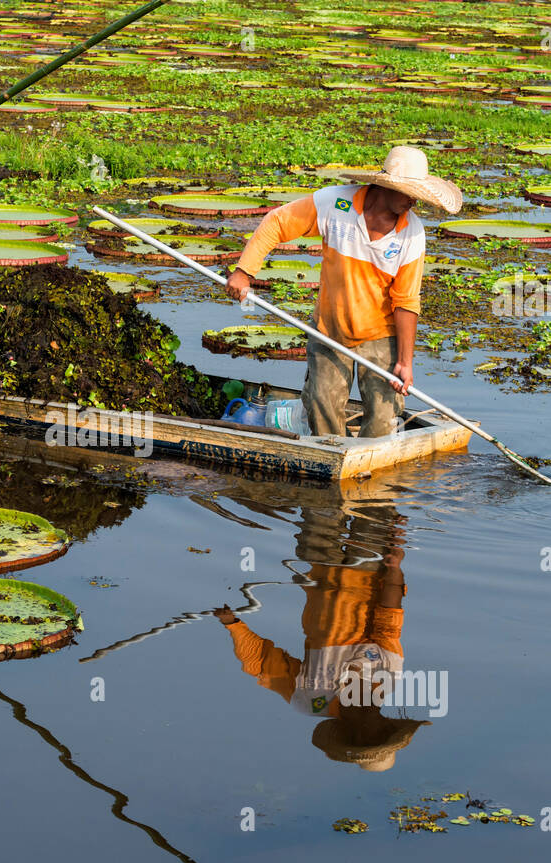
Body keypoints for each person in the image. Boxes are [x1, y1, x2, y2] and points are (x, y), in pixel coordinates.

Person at [226, 146, 463, 438]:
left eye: (418, 194)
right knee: (321, 408)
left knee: (383, 419)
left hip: (381, 334)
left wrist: (405, 361)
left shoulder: (411, 234)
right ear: (385, 186)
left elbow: (406, 301)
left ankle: (371, 471)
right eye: (408, 192)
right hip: (330, 329)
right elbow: (278, 223)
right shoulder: (336, 203)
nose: (414, 200)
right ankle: (330, 465)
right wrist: (244, 271)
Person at [212, 501, 429, 772]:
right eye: (382, 730)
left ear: (352, 736)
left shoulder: (309, 700)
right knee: (375, 504)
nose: (373, 726)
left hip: (318, 570)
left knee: (320, 505)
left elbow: (264, 665)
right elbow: (389, 618)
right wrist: (395, 567)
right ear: (387, 723)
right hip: (369, 571)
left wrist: (233, 625)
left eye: (368, 736)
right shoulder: (388, 675)